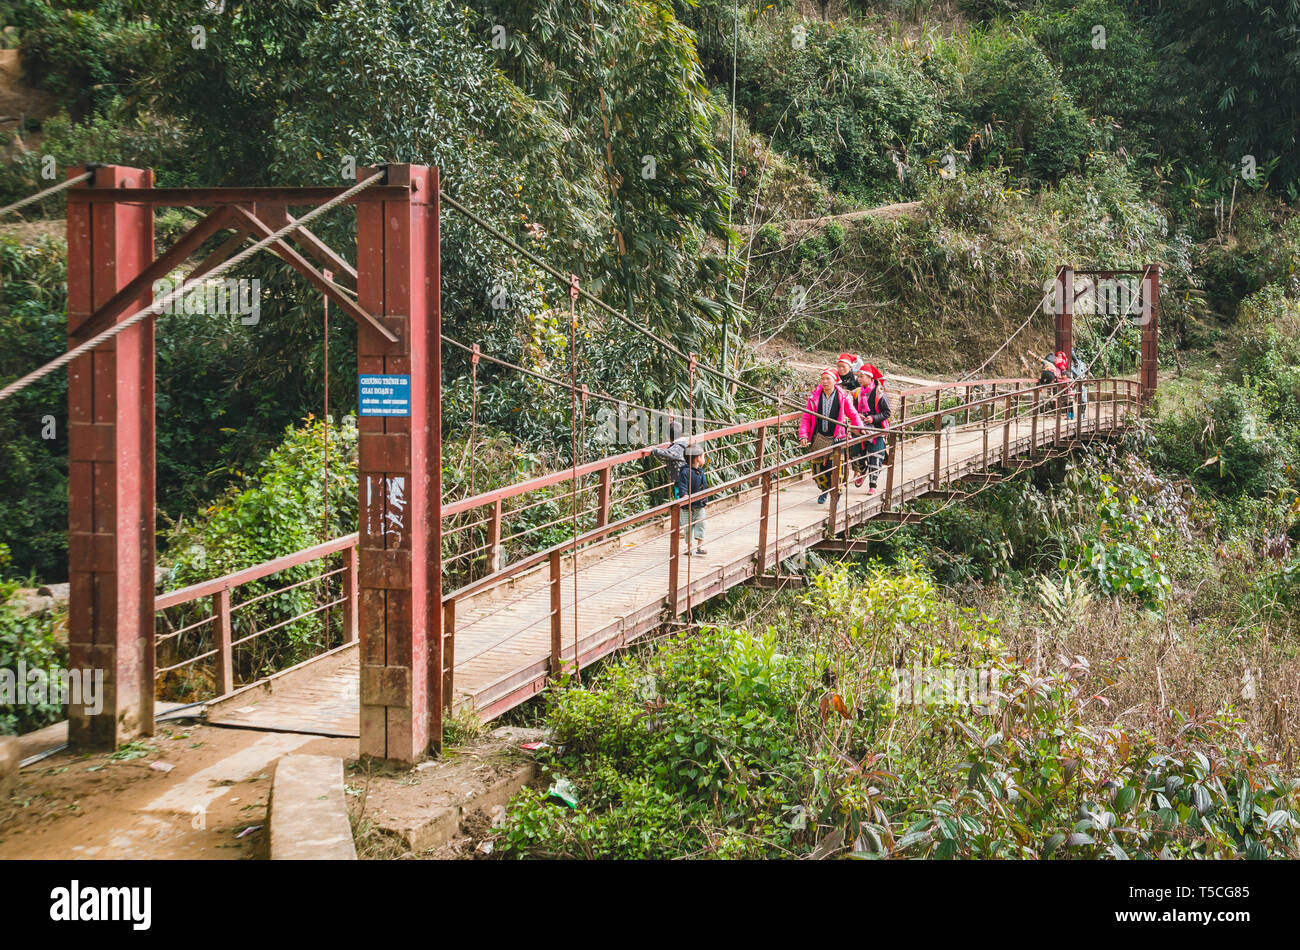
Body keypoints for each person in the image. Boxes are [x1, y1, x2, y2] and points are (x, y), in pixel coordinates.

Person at [797, 368, 864, 504]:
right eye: (823, 379)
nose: (825, 382)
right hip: (819, 437)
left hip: (837, 437)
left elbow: (852, 414)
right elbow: (806, 418)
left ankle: (836, 497)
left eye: (828, 379)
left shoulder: (843, 397)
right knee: (817, 470)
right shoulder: (814, 398)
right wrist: (803, 435)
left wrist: (860, 428)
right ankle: (825, 489)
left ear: (835, 381)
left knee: (837, 469)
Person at [850, 364, 890, 492]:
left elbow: (886, 412)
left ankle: (873, 485)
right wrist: (859, 415)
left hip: (877, 428)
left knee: (875, 455)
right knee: (855, 451)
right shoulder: (857, 393)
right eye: (858, 377)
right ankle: (861, 471)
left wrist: (873, 418)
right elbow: (853, 410)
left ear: (870, 378)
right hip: (860, 426)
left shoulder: (879, 393)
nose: (859, 379)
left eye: (862, 377)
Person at [675, 444, 708, 555]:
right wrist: (684, 495)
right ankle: (688, 547)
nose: (704, 459)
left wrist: (705, 500)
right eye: (703, 456)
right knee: (687, 527)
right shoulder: (684, 472)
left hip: (699, 505)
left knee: (701, 524)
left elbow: (704, 486)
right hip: (686, 507)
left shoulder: (701, 472)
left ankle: (700, 545)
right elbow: (682, 485)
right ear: (698, 458)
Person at [651, 418, 692, 487]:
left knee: (682, 496)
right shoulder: (685, 443)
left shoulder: (677, 447)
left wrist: (654, 450)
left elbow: (667, 454)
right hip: (689, 477)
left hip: (682, 481)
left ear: (668, 437)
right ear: (682, 434)